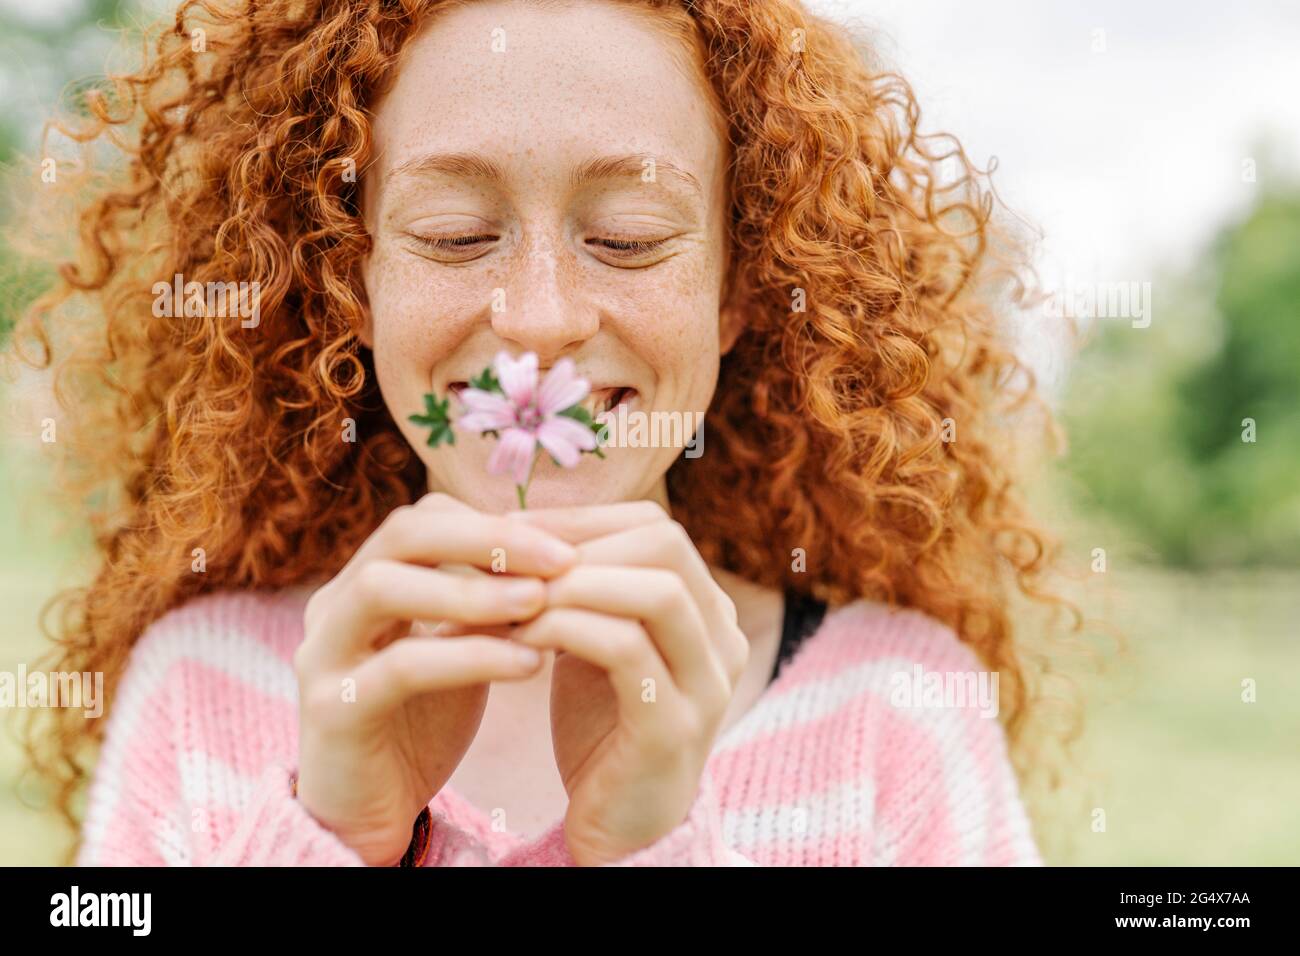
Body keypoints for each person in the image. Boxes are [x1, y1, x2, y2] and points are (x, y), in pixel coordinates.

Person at [12, 0, 1063, 866]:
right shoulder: (199, 690)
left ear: (738, 289)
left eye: (628, 238)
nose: (541, 316)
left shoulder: (900, 713)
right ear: (355, 275)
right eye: (456, 235)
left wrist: (649, 847)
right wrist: (334, 836)